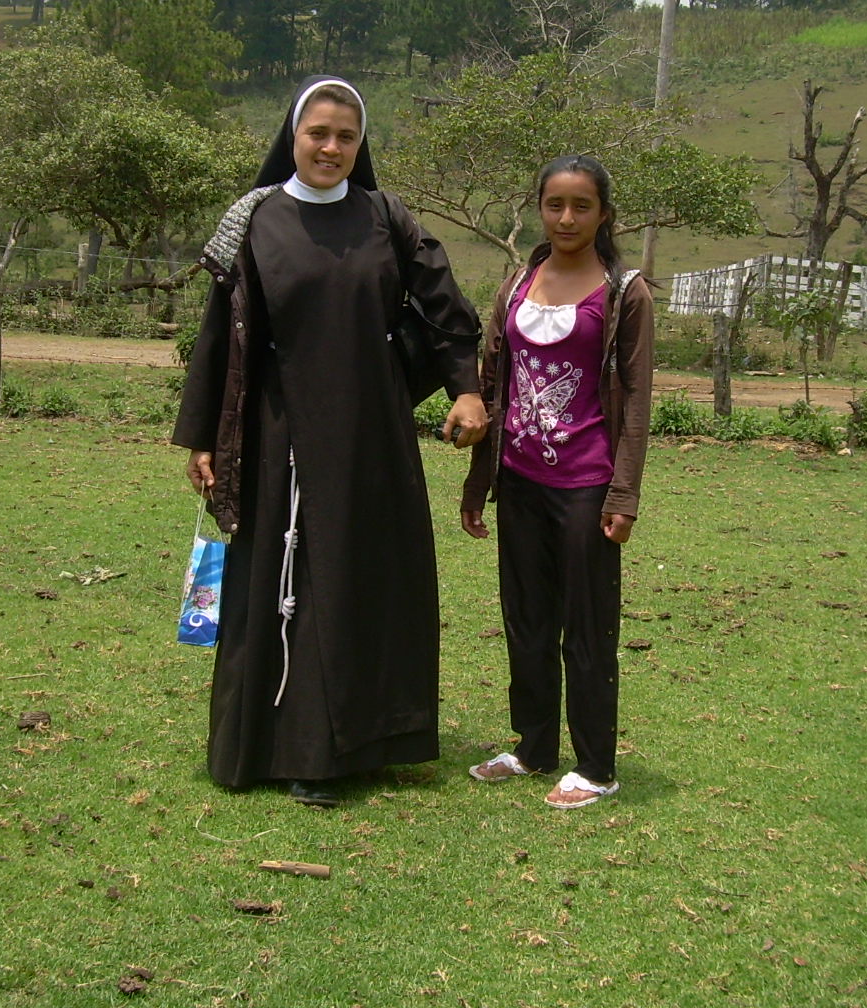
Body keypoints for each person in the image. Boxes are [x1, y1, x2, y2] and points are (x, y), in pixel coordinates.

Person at [173, 77, 487, 807]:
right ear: (292, 135)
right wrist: (205, 438)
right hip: (277, 433)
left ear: (360, 144)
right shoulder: (254, 220)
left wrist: (466, 389)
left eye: (347, 136)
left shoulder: (386, 218)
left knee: (361, 580)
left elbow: (446, 310)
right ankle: (283, 749)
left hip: (372, 435)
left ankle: (368, 741)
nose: (331, 147)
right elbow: (220, 337)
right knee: (286, 585)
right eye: (318, 132)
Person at [460, 154, 654, 809]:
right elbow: (492, 383)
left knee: (587, 626)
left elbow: (636, 400)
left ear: (604, 214)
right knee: (526, 621)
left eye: (581, 206)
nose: (566, 218)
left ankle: (596, 767)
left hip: (587, 486)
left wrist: (623, 494)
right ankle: (533, 748)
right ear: (539, 208)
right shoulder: (518, 284)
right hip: (519, 480)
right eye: (554, 204)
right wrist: (477, 481)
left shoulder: (625, 292)